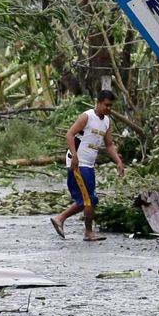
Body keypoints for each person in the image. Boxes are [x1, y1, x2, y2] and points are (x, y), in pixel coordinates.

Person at [50, 91, 125, 241]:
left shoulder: (107, 122)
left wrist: (118, 161)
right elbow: (70, 134)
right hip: (77, 162)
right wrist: (74, 155)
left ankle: (60, 219)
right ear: (98, 102)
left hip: (89, 165)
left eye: (111, 106)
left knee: (87, 199)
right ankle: (88, 232)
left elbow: (109, 144)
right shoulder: (87, 116)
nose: (109, 108)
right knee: (89, 199)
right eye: (106, 105)